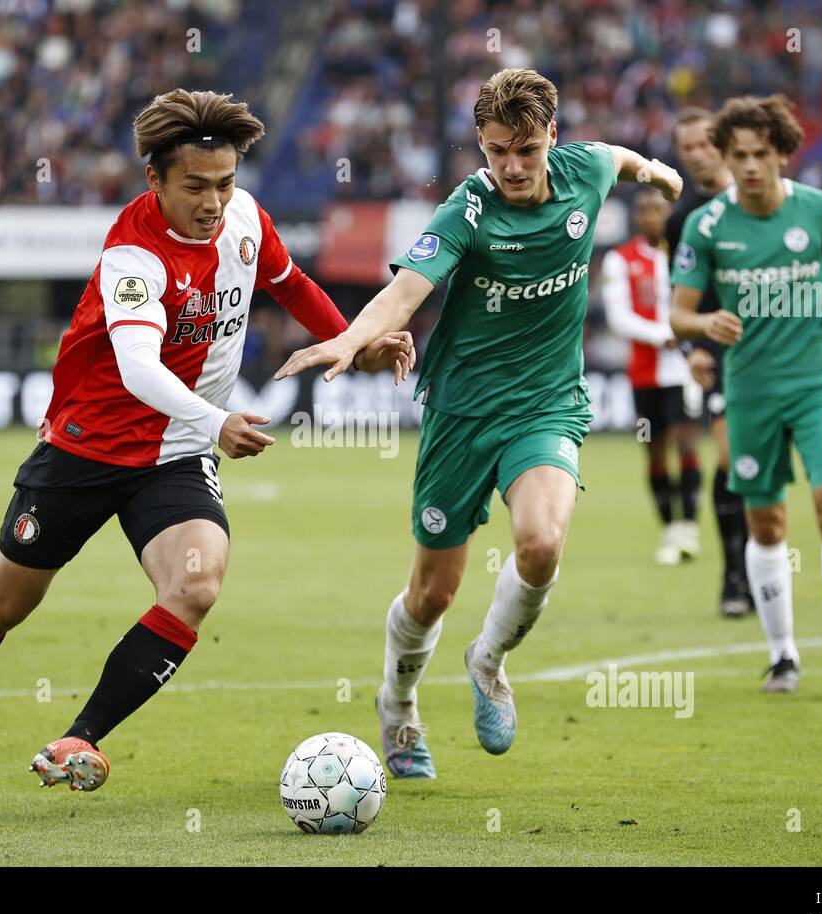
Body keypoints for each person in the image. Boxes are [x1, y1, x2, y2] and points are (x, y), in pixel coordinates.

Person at [0, 89, 414, 791]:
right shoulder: (133, 256)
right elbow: (140, 368)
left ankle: (80, 739)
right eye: (195, 187)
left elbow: (290, 285)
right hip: (85, 449)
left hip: (173, 455)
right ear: (156, 181)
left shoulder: (245, 220)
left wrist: (357, 342)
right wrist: (218, 421)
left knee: (197, 584)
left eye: (226, 184)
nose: (213, 202)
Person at [276, 68, 682, 777]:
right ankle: (398, 706)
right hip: (461, 413)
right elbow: (405, 292)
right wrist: (349, 338)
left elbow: (614, 156)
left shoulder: (584, 171)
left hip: (546, 403)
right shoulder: (468, 209)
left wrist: (651, 170)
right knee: (433, 592)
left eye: (525, 150)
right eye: (497, 152)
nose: (513, 167)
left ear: (552, 138)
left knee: (542, 542)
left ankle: (488, 660)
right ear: (481, 146)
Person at [669, 95, 822, 695]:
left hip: (818, 385)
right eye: (739, 156)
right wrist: (705, 326)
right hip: (750, 392)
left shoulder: (820, 210)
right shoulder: (707, 226)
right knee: (766, 524)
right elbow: (678, 314)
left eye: (762, 154)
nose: (751, 166)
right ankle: (783, 655)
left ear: (784, 153)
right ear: (725, 158)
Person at [665, 106, 752, 614]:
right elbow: (678, 295)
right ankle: (735, 575)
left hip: (774, 345)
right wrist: (692, 347)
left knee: (759, 466)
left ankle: (760, 569)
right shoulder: (682, 219)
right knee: (730, 457)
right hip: (718, 347)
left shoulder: (759, 199)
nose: (696, 155)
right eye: (687, 148)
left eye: (704, 145)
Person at [601, 186, 702, 566]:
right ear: (636, 216)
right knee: (654, 449)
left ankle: (689, 526)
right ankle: (669, 527)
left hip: (684, 371)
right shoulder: (620, 260)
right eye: (643, 210)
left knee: (687, 440)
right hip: (643, 374)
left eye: (658, 209)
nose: (651, 217)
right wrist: (663, 334)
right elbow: (618, 318)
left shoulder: (689, 253)